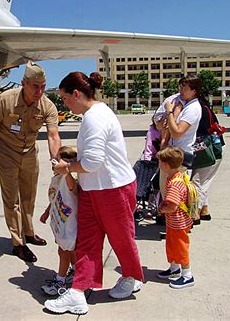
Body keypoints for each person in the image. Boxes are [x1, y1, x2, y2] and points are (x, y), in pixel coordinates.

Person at [45, 72, 143, 315]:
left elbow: (92, 162)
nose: (64, 104)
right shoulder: (95, 114)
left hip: (112, 189)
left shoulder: (94, 118)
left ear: (76, 94)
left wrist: (66, 167)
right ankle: (78, 291)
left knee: (121, 237)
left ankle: (131, 276)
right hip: (93, 189)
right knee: (87, 241)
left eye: (65, 99)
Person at [0, 61, 61, 262]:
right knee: (12, 199)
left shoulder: (47, 105)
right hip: (6, 153)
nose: (39, 91)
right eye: (35, 86)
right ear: (24, 82)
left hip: (29, 153)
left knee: (29, 196)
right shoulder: (5, 100)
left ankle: (29, 232)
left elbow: (53, 135)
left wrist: (56, 160)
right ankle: (18, 243)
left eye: (43, 86)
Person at [39, 146, 78, 296]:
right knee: (69, 250)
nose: (52, 165)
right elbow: (55, 197)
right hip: (60, 220)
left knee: (63, 251)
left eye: (55, 161)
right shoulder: (58, 177)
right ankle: (74, 270)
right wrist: (47, 211)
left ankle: (60, 281)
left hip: (69, 224)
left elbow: (71, 187)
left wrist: (66, 171)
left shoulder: (69, 178)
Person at [156, 146, 195, 289]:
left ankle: (187, 275)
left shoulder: (174, 184)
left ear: (166, 165)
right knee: (172, 246)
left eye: (160, 162)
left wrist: (161, 209)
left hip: (178, 222)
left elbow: (172, 206)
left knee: (180, 247)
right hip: (175, 222)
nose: (159, 165)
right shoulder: (178, 176)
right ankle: (174, 269)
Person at [158, 75, 202, 200]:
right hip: (170, 154)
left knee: (173, 196)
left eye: (184, 88)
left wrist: (170, 112)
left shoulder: (193, 109)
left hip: (178, 158)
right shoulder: (181, 104)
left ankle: (176, 219)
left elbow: (177, 132)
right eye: (180, 87)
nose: (181, 91)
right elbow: (161, 124)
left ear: (194, 91)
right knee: (166, 192)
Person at [191, 98, 225, 221]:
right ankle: (204, 211)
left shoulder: (197, 109)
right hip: (215, 147)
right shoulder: (204, 107)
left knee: (197, 181)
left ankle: (195, 213)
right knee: (203, 180)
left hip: (208, 150)